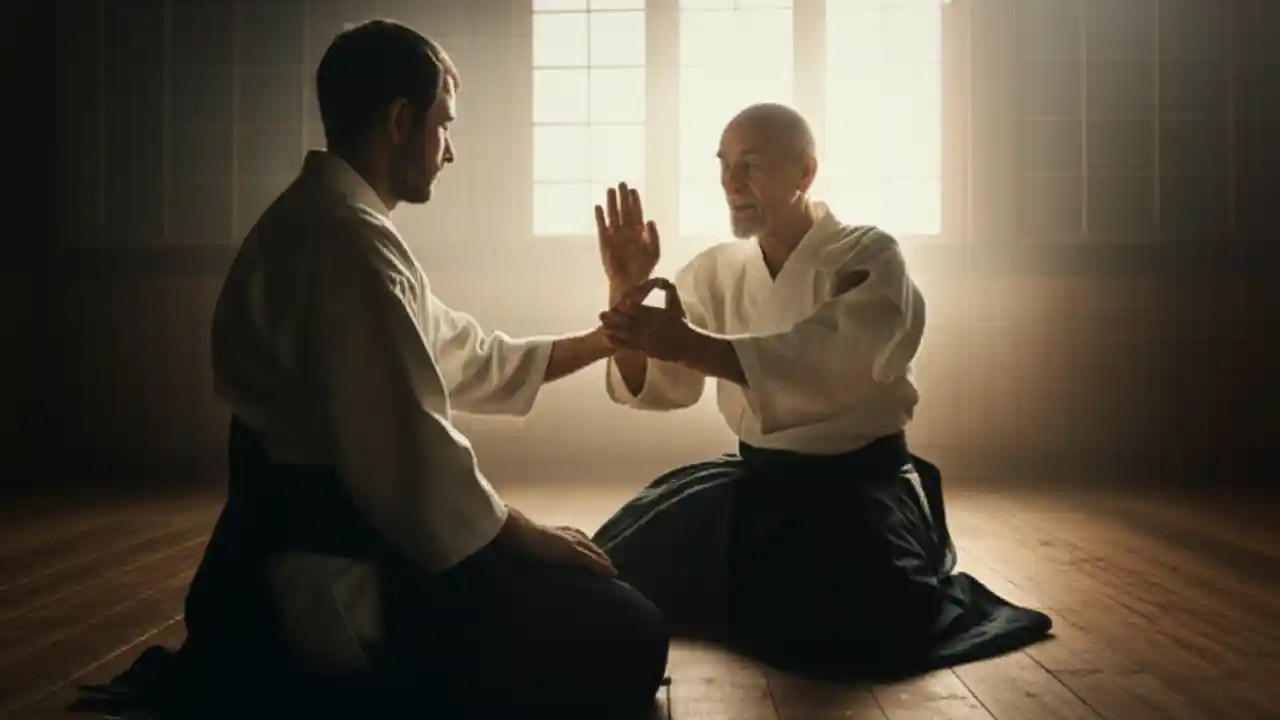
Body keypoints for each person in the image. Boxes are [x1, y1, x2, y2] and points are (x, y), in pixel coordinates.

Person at [93, 20, 668, 718]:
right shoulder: (344, 244)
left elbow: (470, 355)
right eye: (444, 125)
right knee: (630, 636)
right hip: (326, 564)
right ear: (401, 120)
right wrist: (524, 532)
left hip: (349, 529)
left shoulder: (335, 223)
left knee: (611, 616)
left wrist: (614, 330)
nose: (449, 151)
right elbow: (408, 457)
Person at [589, 103, 1051, 678]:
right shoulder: (716, 270)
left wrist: (693, 345)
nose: (731, 183)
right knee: (606, 573)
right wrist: (625, 288)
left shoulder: (868, 253)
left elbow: (837, 358)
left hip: (855, 490)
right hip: (759, 480)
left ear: (804, 172)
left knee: (859, 627)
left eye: (750, 164)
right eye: (724, 165)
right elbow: (665, 384)